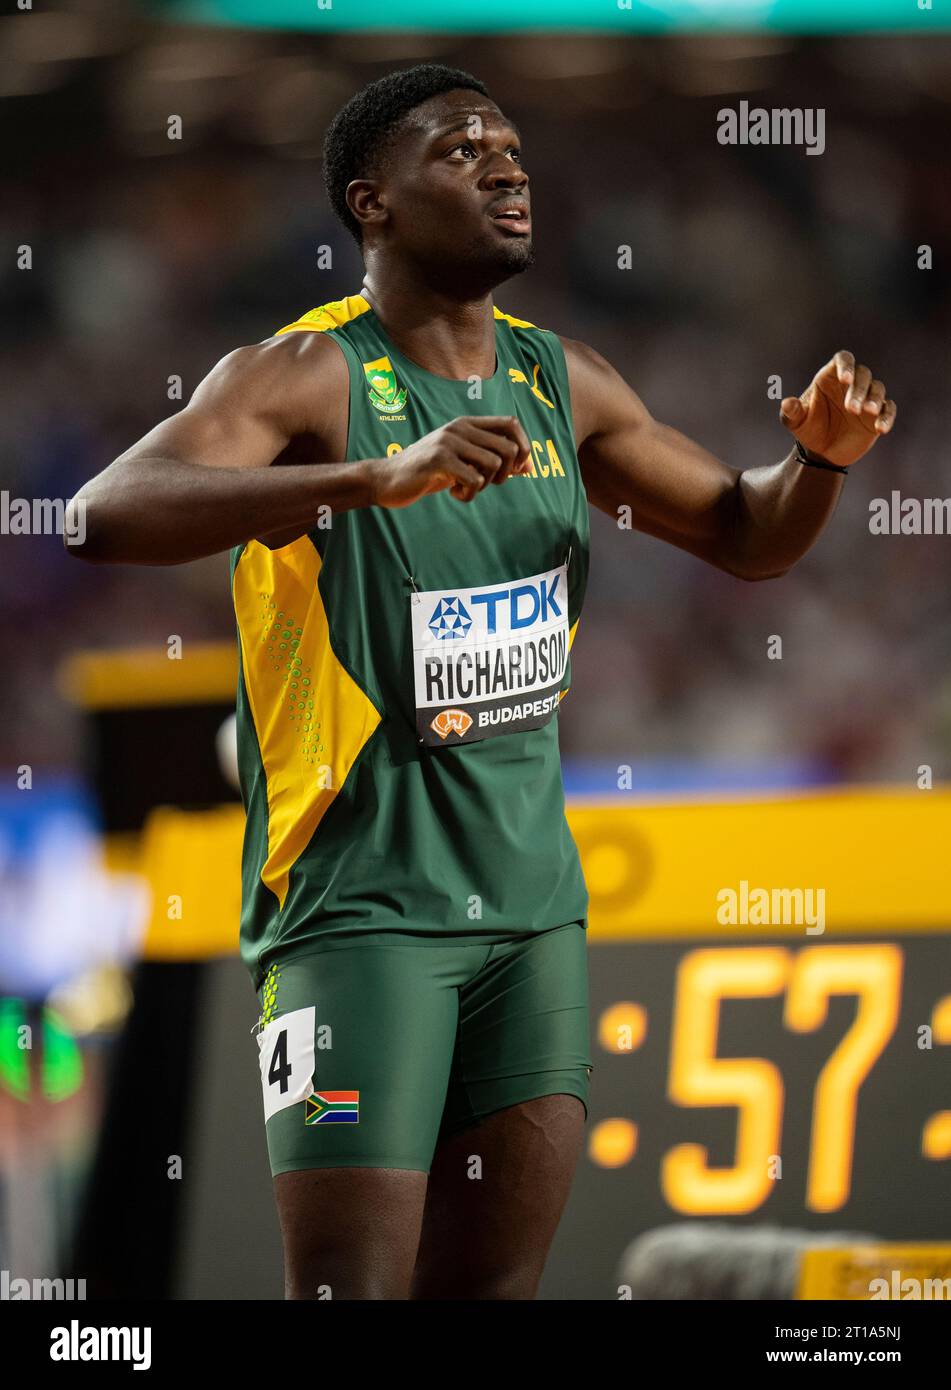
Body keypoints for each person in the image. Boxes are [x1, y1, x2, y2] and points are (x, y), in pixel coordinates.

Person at [68, 63, 896, 1300]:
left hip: (531, 915)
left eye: (511, 149)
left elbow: (743, 534)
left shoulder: (564, 379)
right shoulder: (302, 375)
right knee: (351, 1283)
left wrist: (816, 464)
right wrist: (367, 480)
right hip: (358, 915)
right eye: (461, 151)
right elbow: (101, 515)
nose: (506, 168)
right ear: (373, 204)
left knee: (498, 1290)